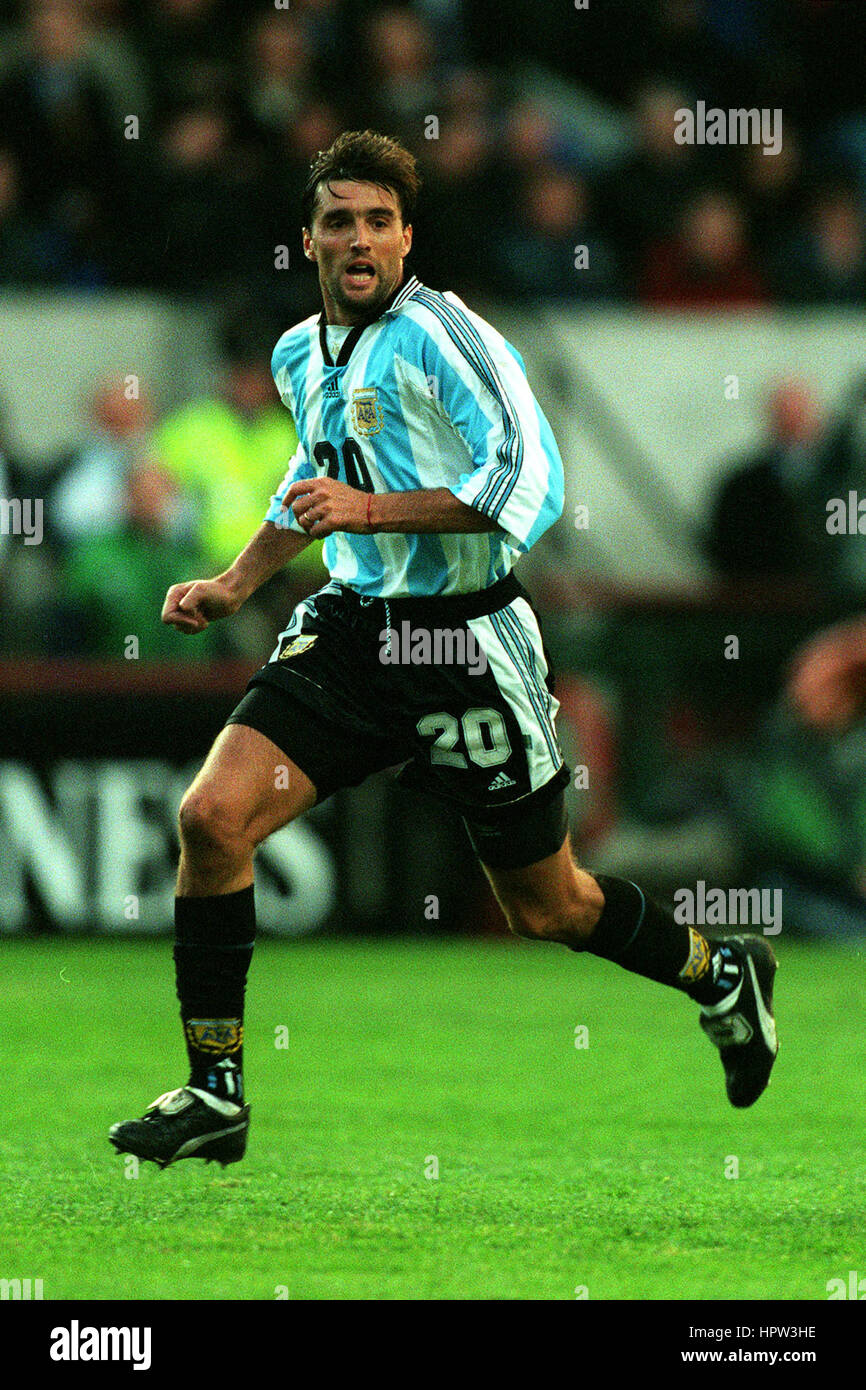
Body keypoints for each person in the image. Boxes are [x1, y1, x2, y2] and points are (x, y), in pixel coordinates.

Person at [109, 130, 778, 1170]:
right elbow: (316, 473)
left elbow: (529, 484)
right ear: (310, 242)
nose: (360, 238)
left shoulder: (446, 336)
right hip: (350, 633)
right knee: (210, 817)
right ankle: (216, 1087)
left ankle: (717, 973)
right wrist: (239, 579)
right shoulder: (298, 353)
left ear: (406, 237)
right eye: (340, 221)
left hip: (466, 647)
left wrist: (368, 511)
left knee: (547, 905)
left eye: (380, 221)